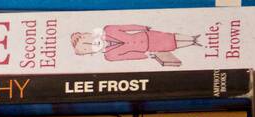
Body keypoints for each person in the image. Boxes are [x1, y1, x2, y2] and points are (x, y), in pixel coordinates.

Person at [70, 26, 202, 68]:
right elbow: (129, 56)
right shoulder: (109, 56)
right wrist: (145, 55)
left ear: (91, 34)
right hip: (146, 47)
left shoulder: (108, 29)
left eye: (88, 41)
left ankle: (192, 38)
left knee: (169, 36)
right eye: (87, 49)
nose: (92, 44)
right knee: (171, 45)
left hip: (145, 36)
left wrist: (143, 27)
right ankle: (192, 42)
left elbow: (127, 27)